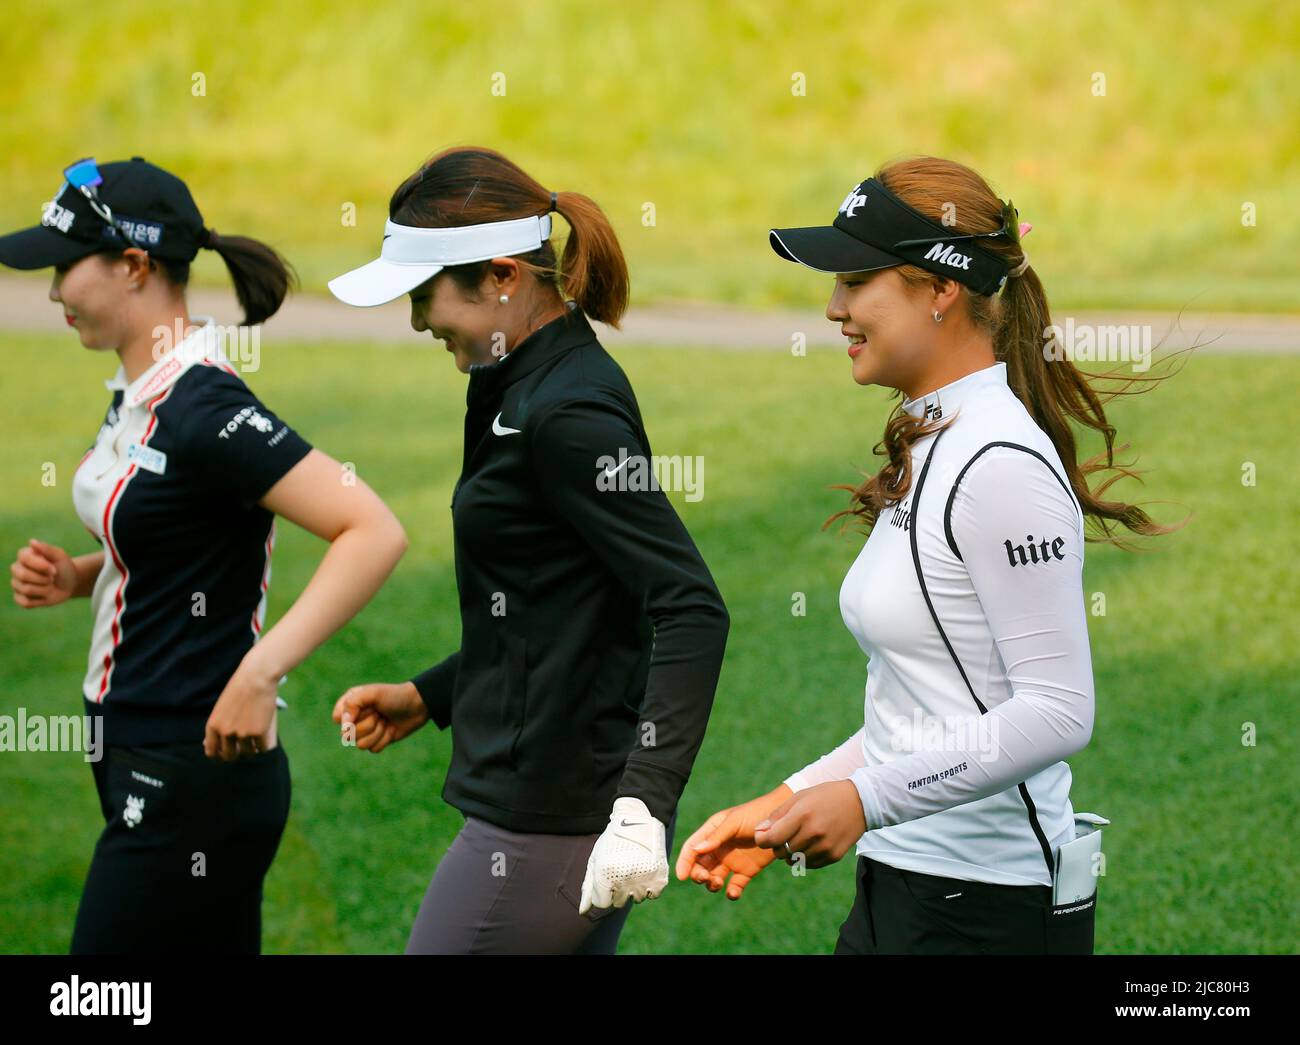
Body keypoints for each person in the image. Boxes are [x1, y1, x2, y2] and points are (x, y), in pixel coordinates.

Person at [676, 155, 1179, 954]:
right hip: (902, 889)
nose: (834, 306)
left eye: (856, 279)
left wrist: (866, 800)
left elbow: (1057, 707)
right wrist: (788, 803)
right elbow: (925, 709)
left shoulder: (998, 463)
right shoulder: (938, 438)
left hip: (987, 913)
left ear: (943, 287)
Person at [327, 146, 730, 954]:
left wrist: (642, 806)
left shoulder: (565, 411)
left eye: (422, 295)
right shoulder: (514, 381)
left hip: (551, 819)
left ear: (504, 277)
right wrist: (432, 693)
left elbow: (689, 603)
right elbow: (557, 592)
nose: (416, 322)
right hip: (545, 804)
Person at [4, 156, 408, 954]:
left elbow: (372, 530)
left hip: (190, 768)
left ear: (134, 266)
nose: (52, 292)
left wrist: (260, 674)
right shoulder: (141, 390)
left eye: (64, 266)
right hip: (146, 754)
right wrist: (83, 573)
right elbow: (188, 532)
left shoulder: (201, 404)